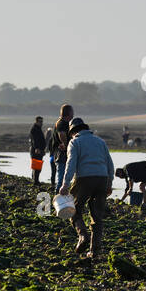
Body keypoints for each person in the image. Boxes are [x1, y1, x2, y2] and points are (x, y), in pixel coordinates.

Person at [58, 117, 114, 259]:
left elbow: (71, 164)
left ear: (73, 132)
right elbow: (109, 164)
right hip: (102, 178)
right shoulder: (100, 142)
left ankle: (83, 236)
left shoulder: (75, 142)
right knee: (97, 216)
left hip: (84, 178)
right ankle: (94, 251)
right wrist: (109, 183)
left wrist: (65, 185)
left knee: (73, 210)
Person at [53, 104, 74, 191]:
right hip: (61, 154)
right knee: (61, 179)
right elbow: (61, 134)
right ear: (69, 112)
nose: (73, 114)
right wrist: (65, 146)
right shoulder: (62, 123)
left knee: (65, 178)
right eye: (72, 111)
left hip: (63, 154)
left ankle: (62, 197)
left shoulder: (64, 123)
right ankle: (58, 197)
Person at [29, 116, 47, 186]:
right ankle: (35, 181)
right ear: (36, 121)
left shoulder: (38, 129)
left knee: (38, 166)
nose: (41, 123)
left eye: (42, 121)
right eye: (40, 121)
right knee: (36, 166)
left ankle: (36, 180)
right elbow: (34, 140)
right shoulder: (34, 129)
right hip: (36, 150)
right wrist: (37, 148)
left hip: (40, 150)